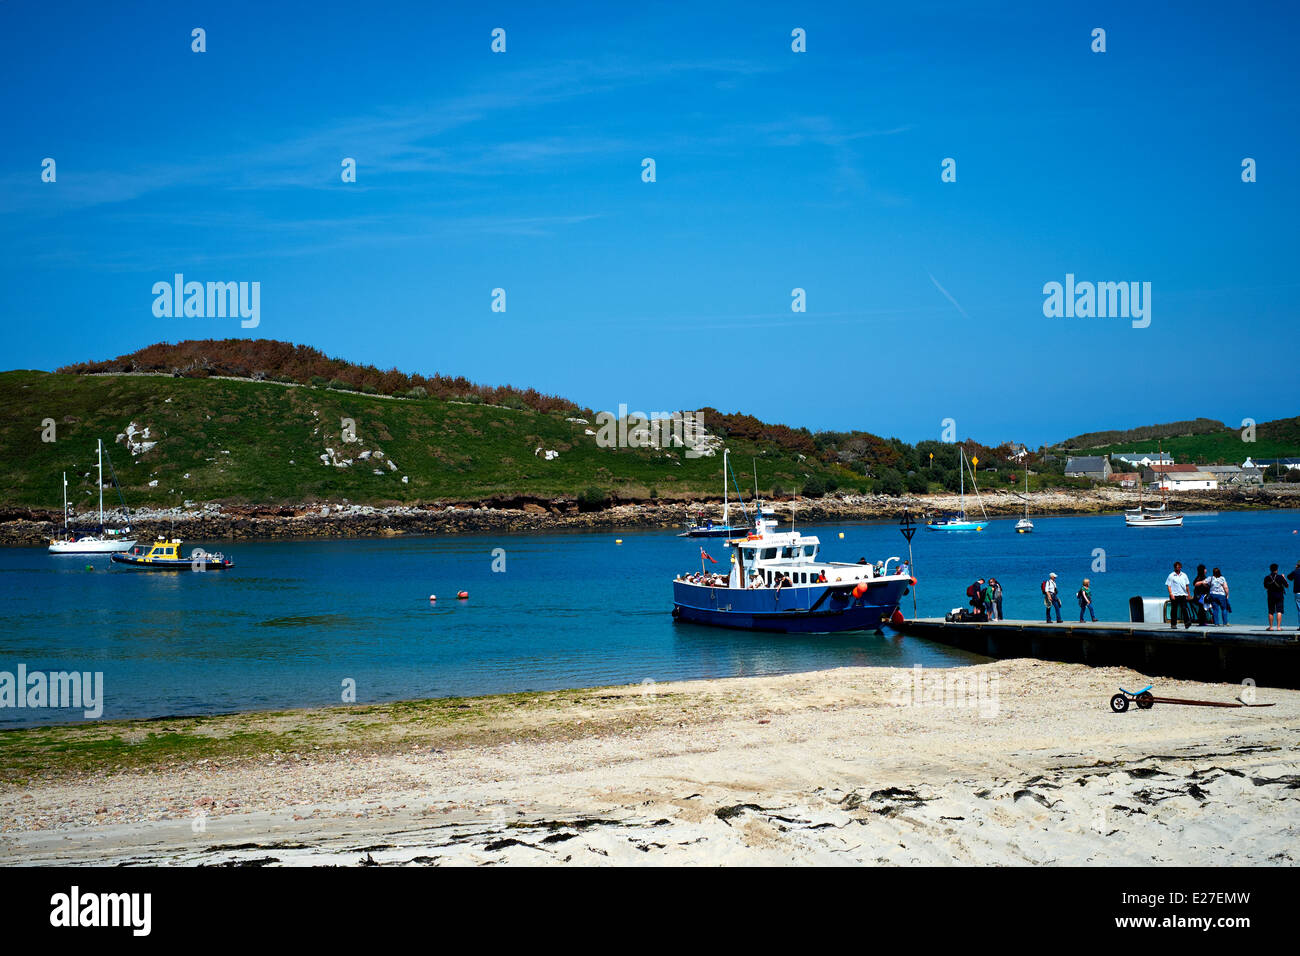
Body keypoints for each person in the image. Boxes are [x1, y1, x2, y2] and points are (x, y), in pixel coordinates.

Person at [1166, 561, 1192, 629]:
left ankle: (1187, 623)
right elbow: (1168, 585)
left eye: (1178, 567)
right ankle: (1173, 624)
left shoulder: (1184, 575)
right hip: (1174, 595)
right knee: (1174, 610)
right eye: (1176, 567)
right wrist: (1171, 594)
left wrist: (1188, 594)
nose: (1177, 568)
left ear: (1180, 567)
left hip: (1183, 594)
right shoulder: (1171, 575)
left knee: (1184, 608)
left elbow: (1187, 585)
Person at [1265, 563, 1289, 630]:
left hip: (1270, 596)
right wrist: (1284, 577)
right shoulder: (1280, 577)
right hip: (1279, 596)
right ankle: (1278, 627)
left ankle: (1271, 627)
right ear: (1277, 570)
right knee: (1279, 611)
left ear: (1270, 569)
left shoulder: (1267, 577)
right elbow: (1287, 585)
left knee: (1271, 611)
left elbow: (1265, 587)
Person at [1288, 561, 1300, 631]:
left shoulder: (1295, 572)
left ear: (1297, 565)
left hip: (1297, 593)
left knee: (1299, 609)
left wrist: (1295, 569)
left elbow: (1289, 577)